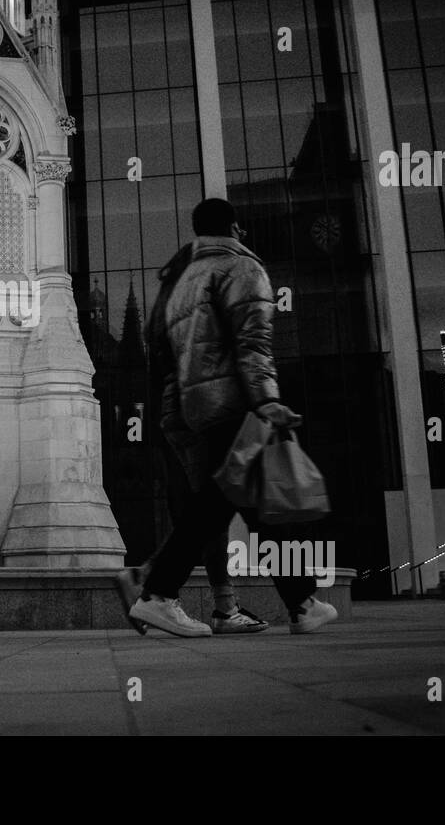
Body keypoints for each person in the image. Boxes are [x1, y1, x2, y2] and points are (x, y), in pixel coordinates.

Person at [117, 198, 337, 637]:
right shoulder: (241, 267)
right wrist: (266, 400)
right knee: (220, 505)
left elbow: (160, 348)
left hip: (189, 410)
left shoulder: (181, 277)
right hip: (231, 407)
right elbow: (253, 344)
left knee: (247, 504)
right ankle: (156, 592)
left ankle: (301, 603)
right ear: (236, 227)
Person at [115, 240, 268, 636]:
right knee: (217, 502)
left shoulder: (170, 297)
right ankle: (162, 586)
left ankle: (219, 603)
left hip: (176, 415)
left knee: (211, 505)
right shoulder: (199, 294)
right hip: (202, 411)